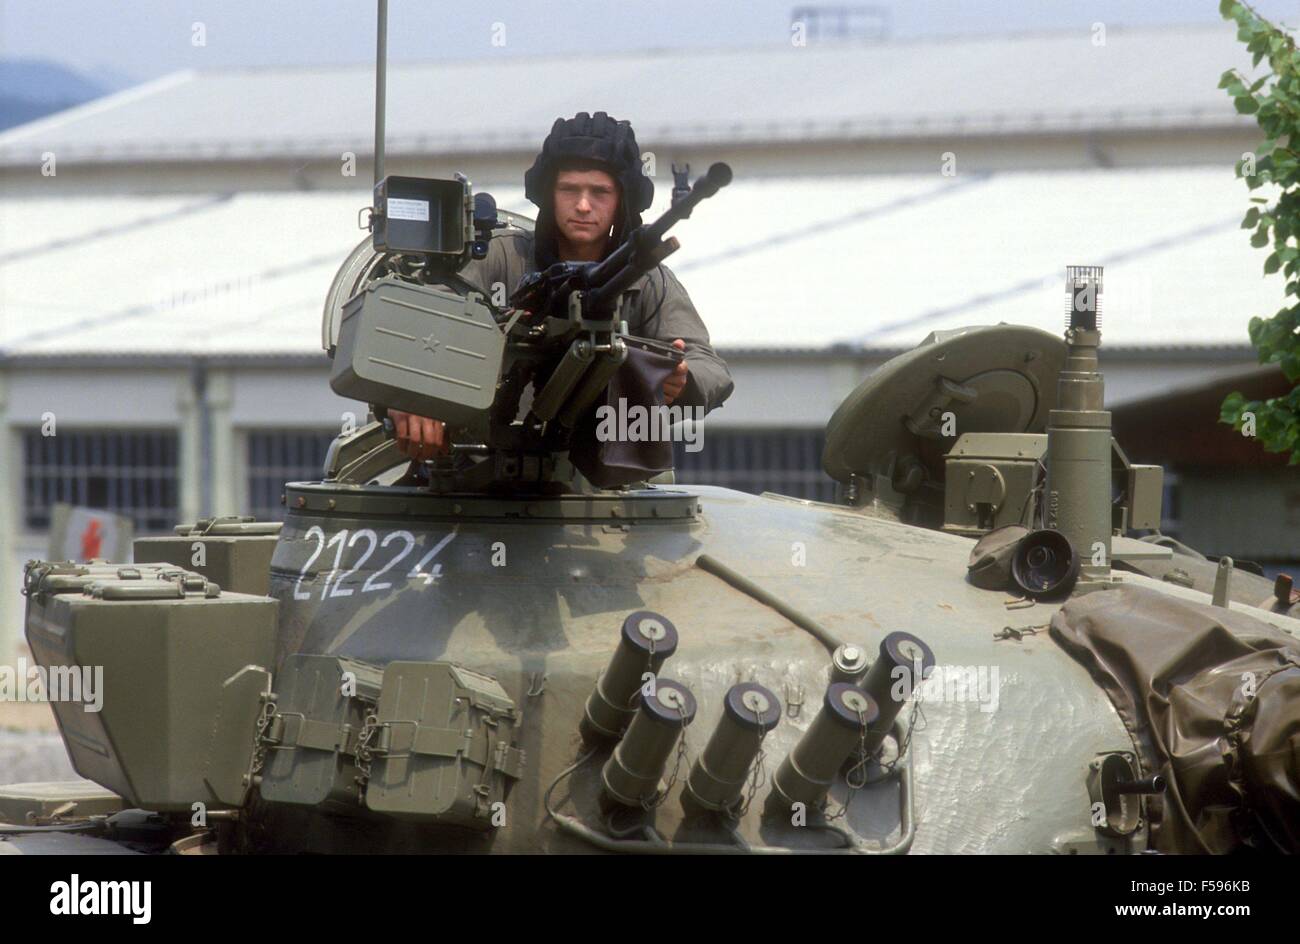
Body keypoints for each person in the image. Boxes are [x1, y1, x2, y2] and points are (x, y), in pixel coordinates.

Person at [388, 110, 733, 460]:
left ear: (621, 202)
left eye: (600, 192)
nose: (583, 206)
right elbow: (415, 323)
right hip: (473, 465)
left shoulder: (646, 281)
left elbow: (709, 367)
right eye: (569, 189)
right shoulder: (497, 259)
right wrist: (413, 395)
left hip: (597, 477)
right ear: (549, 194)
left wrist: (682, 383)